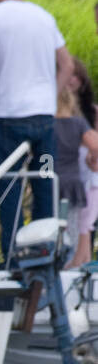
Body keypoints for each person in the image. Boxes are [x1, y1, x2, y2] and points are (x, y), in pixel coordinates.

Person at [0, 0, 72, 261]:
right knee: (45, 184)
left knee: (10, 188)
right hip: (44, 120)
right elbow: (67, 65)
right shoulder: (44, 16)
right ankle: (43, 254)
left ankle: (13, 258)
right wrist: (50, 98)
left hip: (11, 117)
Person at [54, 84, 98, 260]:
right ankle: (67, 265)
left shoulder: (47, 124)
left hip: (51, 181)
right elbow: (95, 145)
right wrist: (91, 160)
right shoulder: (77, 124)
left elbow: (45, 154)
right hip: (72, 182)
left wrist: (45, 172)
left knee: (47, 229)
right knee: (71, 230)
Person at [67, 56, 98, 268]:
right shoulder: (52, 113)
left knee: (84, 223)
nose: (71, 80)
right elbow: (45, 156)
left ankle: (78, 268)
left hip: (88, 174)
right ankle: (75, 267)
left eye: (75, 75)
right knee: (73, 225)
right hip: (64, 173)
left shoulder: (91, 112)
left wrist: (91, 155)